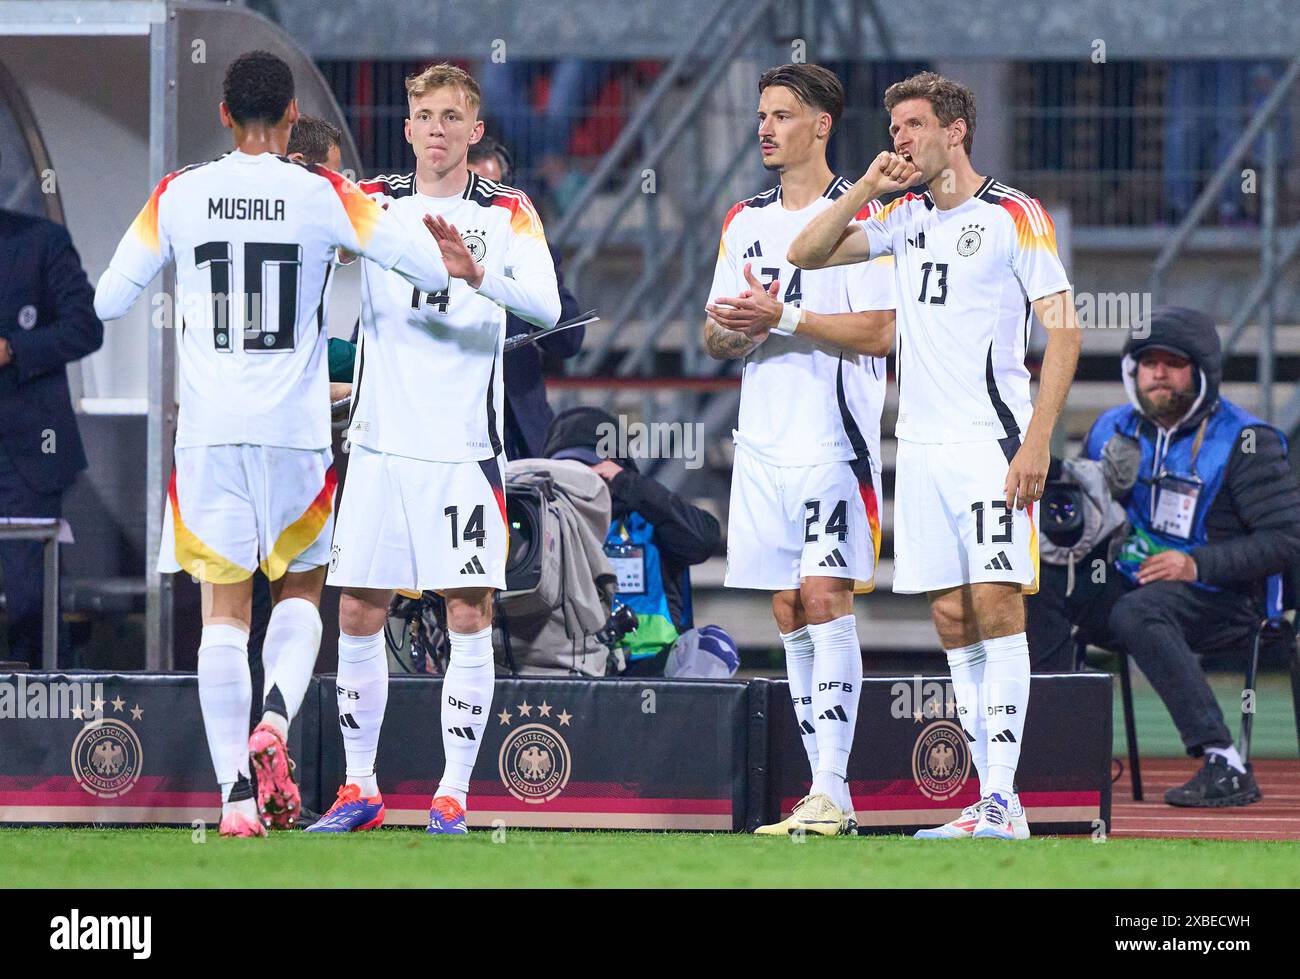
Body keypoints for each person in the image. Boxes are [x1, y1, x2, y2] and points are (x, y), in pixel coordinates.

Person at [93, 50, 450, 838]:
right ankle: (278, 720)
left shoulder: (179, 194)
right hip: (295, 436)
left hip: (209, 435)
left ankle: (233, 801)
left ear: (223, 115)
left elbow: (110, 299)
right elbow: (426, 264)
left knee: (222, 610)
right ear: (293, 119)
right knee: (302, 588)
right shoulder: (323, 193)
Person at [790, 71, 1082, 840]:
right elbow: (808, 252)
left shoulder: (1015, 214)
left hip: (990, 444)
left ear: (955, 130)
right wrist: (863, 193)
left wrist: (1037, 439)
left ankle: (1002, 798)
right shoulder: (901, 214)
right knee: (950, 615)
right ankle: (992, 800)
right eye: (894, 129)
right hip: (916, 446)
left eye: (913, 126)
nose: (901, 141)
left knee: (995, 603)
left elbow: (1067, 329)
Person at [308, 64, 560, 835]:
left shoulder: (509, 210)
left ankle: (452, 792)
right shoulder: (374, 203)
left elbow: (547, 307)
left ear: (474, 130)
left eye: (454, 115)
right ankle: (359, 788)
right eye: (426, 113)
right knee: (356, 608)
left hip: (461, 450)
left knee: (467, 609)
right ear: (410, 127)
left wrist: (478, 274)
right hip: (381, 445)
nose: (440, 127)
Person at [702, 63, 896, 837]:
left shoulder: (867, 216)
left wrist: (781, 319)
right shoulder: (742, 219)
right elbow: (714, 331)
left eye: (782, 115)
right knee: (786, 608)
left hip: (832, 440)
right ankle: (829, 799)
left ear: (821, 124)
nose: (765, 128)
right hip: (763, 442)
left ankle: (830, 786)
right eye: (761, 114)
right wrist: (736, 327)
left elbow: (882, 330)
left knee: (825, 598)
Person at [1028, 306, 1300, 807]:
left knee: (1138, 611)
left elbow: (1285, 541)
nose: (1157, 373)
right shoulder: (1113, 428)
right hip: (1137, 583)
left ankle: (1225, 761)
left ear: (1201, 372)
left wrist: (1195, 564)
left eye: (1172, 363)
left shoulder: (1247, 441)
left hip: (1226, 599)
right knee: (1041, 584)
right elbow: (1084, 517)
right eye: (1147, 362)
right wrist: (1092, 486)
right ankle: (1049, 749)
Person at [0, 162, 104, 667]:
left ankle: (43, 726)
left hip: (27, 456)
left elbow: (86, 326)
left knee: (29, 600)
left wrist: (13, 349)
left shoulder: (40, 242)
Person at [542, 406, 722, 674]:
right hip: (569, 665)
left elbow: (703, 540)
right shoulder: (540, 521)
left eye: (589, 468)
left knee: (713, 647)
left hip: (654, 668)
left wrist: (630, 485)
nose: (579, 481)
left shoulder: (651, 517)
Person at [467, 136, 583, 460]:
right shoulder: (422, 251)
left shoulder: (530, 255)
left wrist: (522, 285)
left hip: (520, 436)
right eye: (475, 190)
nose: (485, 202)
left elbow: (570, 341)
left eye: (495, 190)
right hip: (453, 428)